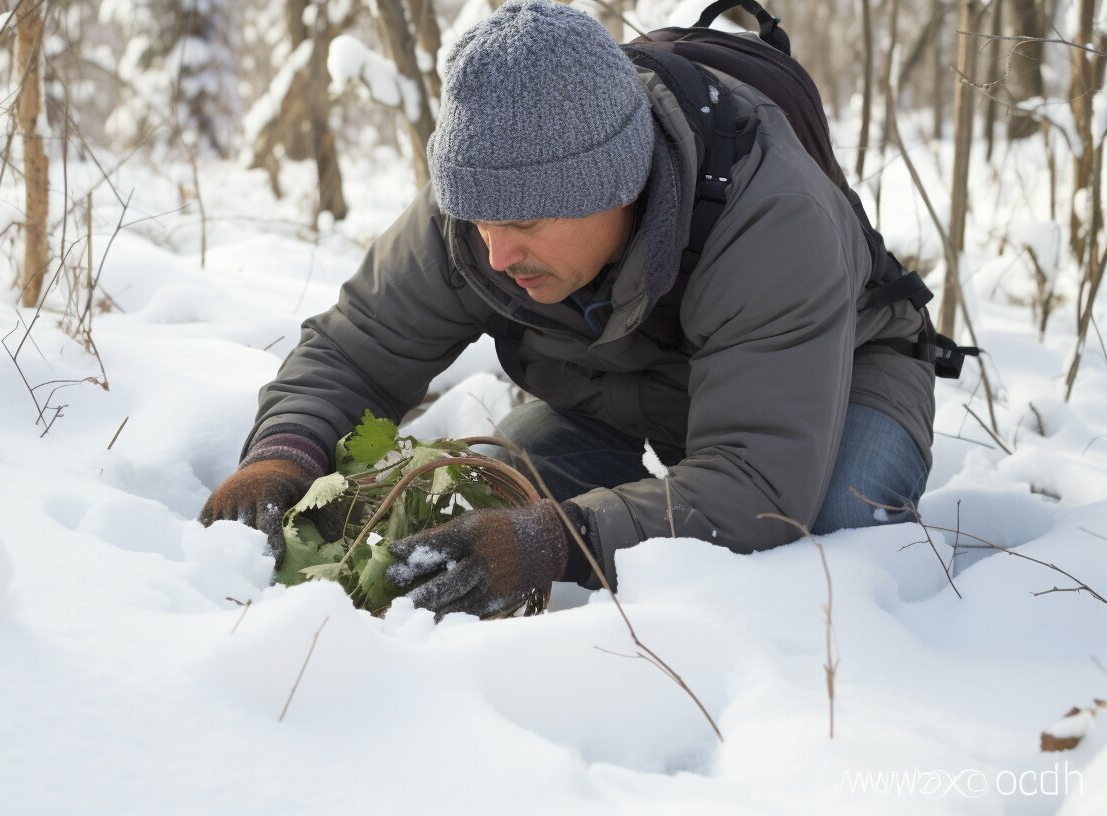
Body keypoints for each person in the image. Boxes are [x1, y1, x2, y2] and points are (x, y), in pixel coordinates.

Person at [199, 0, 935, 618]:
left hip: (834, 378)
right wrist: (281, 454)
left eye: (524, 225)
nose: (495, 254)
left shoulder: (774, 220)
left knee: (823, 535)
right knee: (480, 509)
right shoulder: (482, 201)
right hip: (611, 381)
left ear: (619, 186)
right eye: (481, 221)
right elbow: (355, 348)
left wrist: (562, 542)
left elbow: (761, 485)